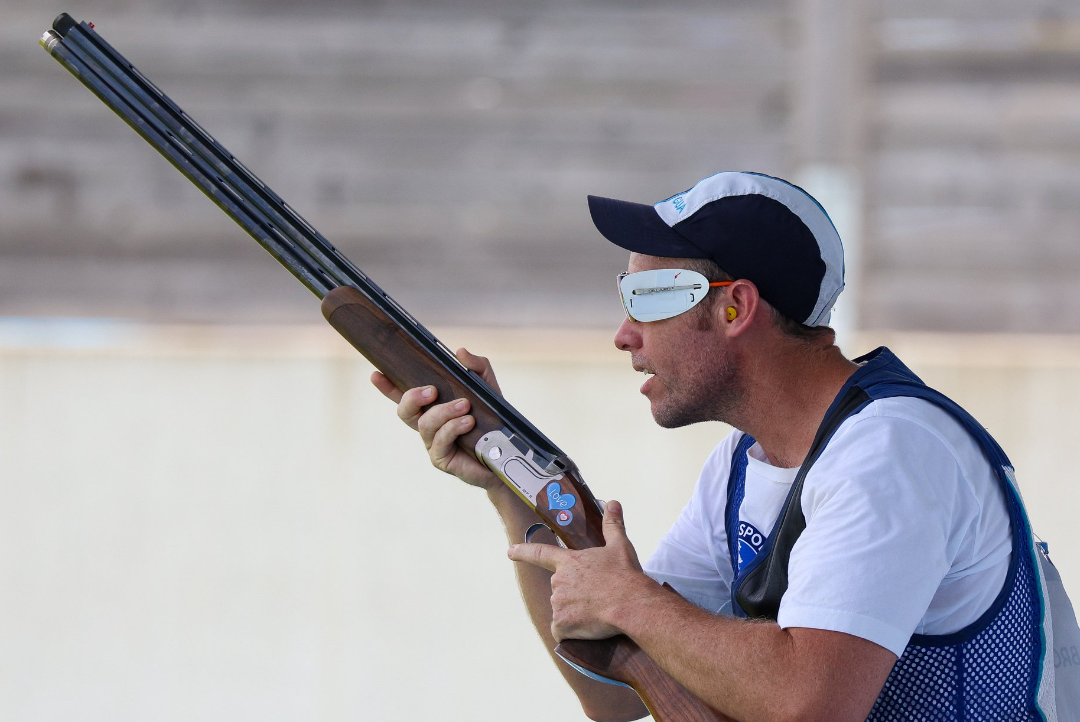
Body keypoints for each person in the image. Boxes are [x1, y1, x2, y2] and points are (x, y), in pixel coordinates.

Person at [370, 172, 1071, 721]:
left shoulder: (891, 450)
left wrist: (633, 602)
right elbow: (610, 693)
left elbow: (811, 704)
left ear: (733, 308)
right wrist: (505, 478)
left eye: (647, 297)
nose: (622, 334)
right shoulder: (744, 461)